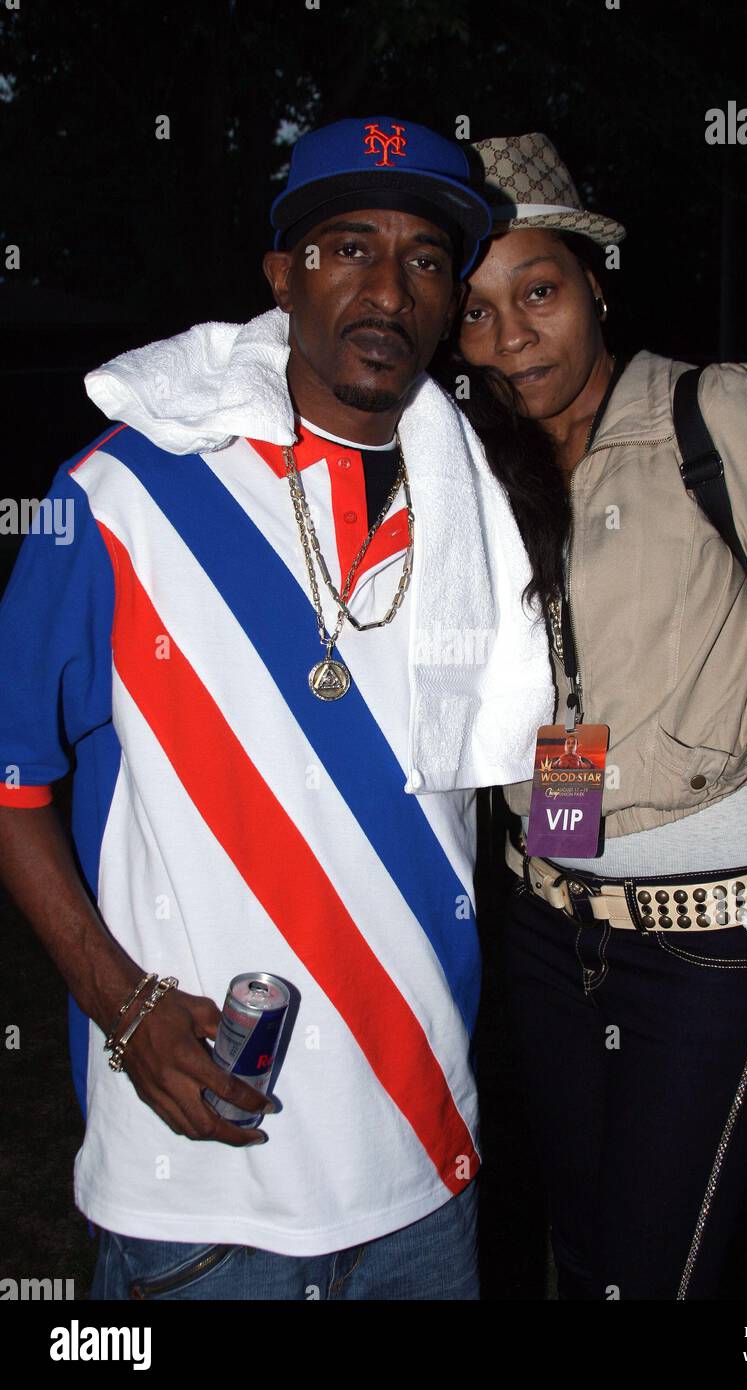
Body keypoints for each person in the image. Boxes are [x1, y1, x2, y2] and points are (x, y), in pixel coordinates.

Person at [0, 115, 554, 1300]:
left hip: (420, 1163)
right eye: (346, 246)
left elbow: (550, 761)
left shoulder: (485, 518)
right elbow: (11, 778)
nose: (385, 288)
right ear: (280, 275)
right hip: (199, 1182)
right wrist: (123, 1001)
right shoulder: (120, 497)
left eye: (421, 259)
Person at [439, 131, 747, 1299]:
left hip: (710, 946)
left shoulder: (711, 417)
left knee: (660, 1273)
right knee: (580, 1250)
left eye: (540, 292)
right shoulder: (483, 462)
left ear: (595, 283)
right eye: (475, 310)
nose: (510, 337)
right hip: (550, 932)